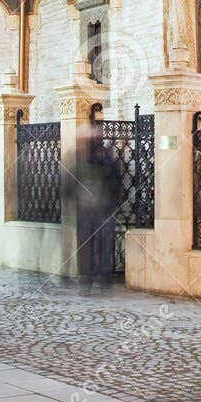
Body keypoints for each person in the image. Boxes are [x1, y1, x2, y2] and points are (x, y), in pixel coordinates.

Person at [75, 120, 124, 288]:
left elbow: (115, 182)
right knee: (96, 242)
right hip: (97, 208)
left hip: (100, 208)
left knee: (97, 242)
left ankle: (97, 275)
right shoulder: (90, 159)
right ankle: (97, 275)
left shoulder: (94, 158)